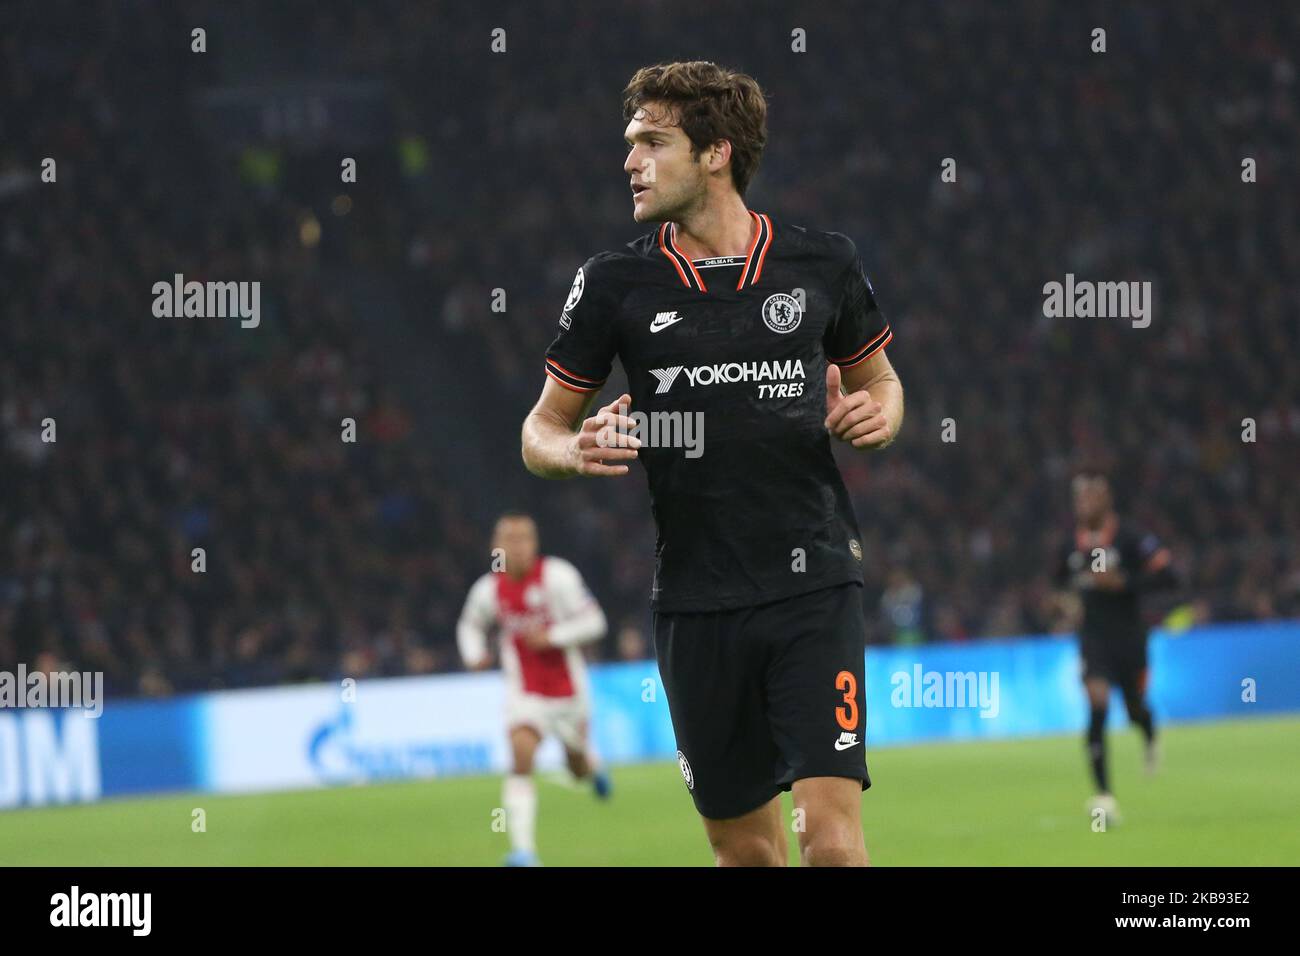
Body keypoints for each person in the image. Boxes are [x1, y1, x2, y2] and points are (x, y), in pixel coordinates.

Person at [521, 61, 904, 866]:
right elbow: (540, 430)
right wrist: (574, 446)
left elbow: (883, 384)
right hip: (698, 601)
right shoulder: (613, 283)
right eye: (630, 143)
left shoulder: (821, 263)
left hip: (815, 583)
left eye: (652, 142)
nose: (630, 161)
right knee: (746, 855)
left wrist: (878, 415)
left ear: (716, 152)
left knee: (829, 842)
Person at [456, 512, 611, 866]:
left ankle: (592, 765)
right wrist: (475, 654)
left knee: (576, 767)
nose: (519, 546)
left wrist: (552, 636)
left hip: (569, 693)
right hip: (524, 694)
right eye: (510, 539)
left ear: (535, 543)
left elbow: (595, 622)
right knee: (521, 753)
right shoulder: (488, 590)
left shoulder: (559, 576)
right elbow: (470, 625)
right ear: (497, 546)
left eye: (525, 538)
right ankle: (524, 852)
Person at [1056, 470, 1178, 824]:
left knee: (1133, 707)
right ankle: (1104, 795)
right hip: (1093, 639)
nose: (1083, 503)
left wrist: (1123, 582)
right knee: (1097, 704)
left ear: (1106, 499)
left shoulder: (1131, 537)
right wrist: (1063, 606)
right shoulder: (1069, 545)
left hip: (1130, 638)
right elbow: (1057, 586)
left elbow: (1169, 575)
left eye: (1090, 495)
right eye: (1078, 497)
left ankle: (1149, 730)